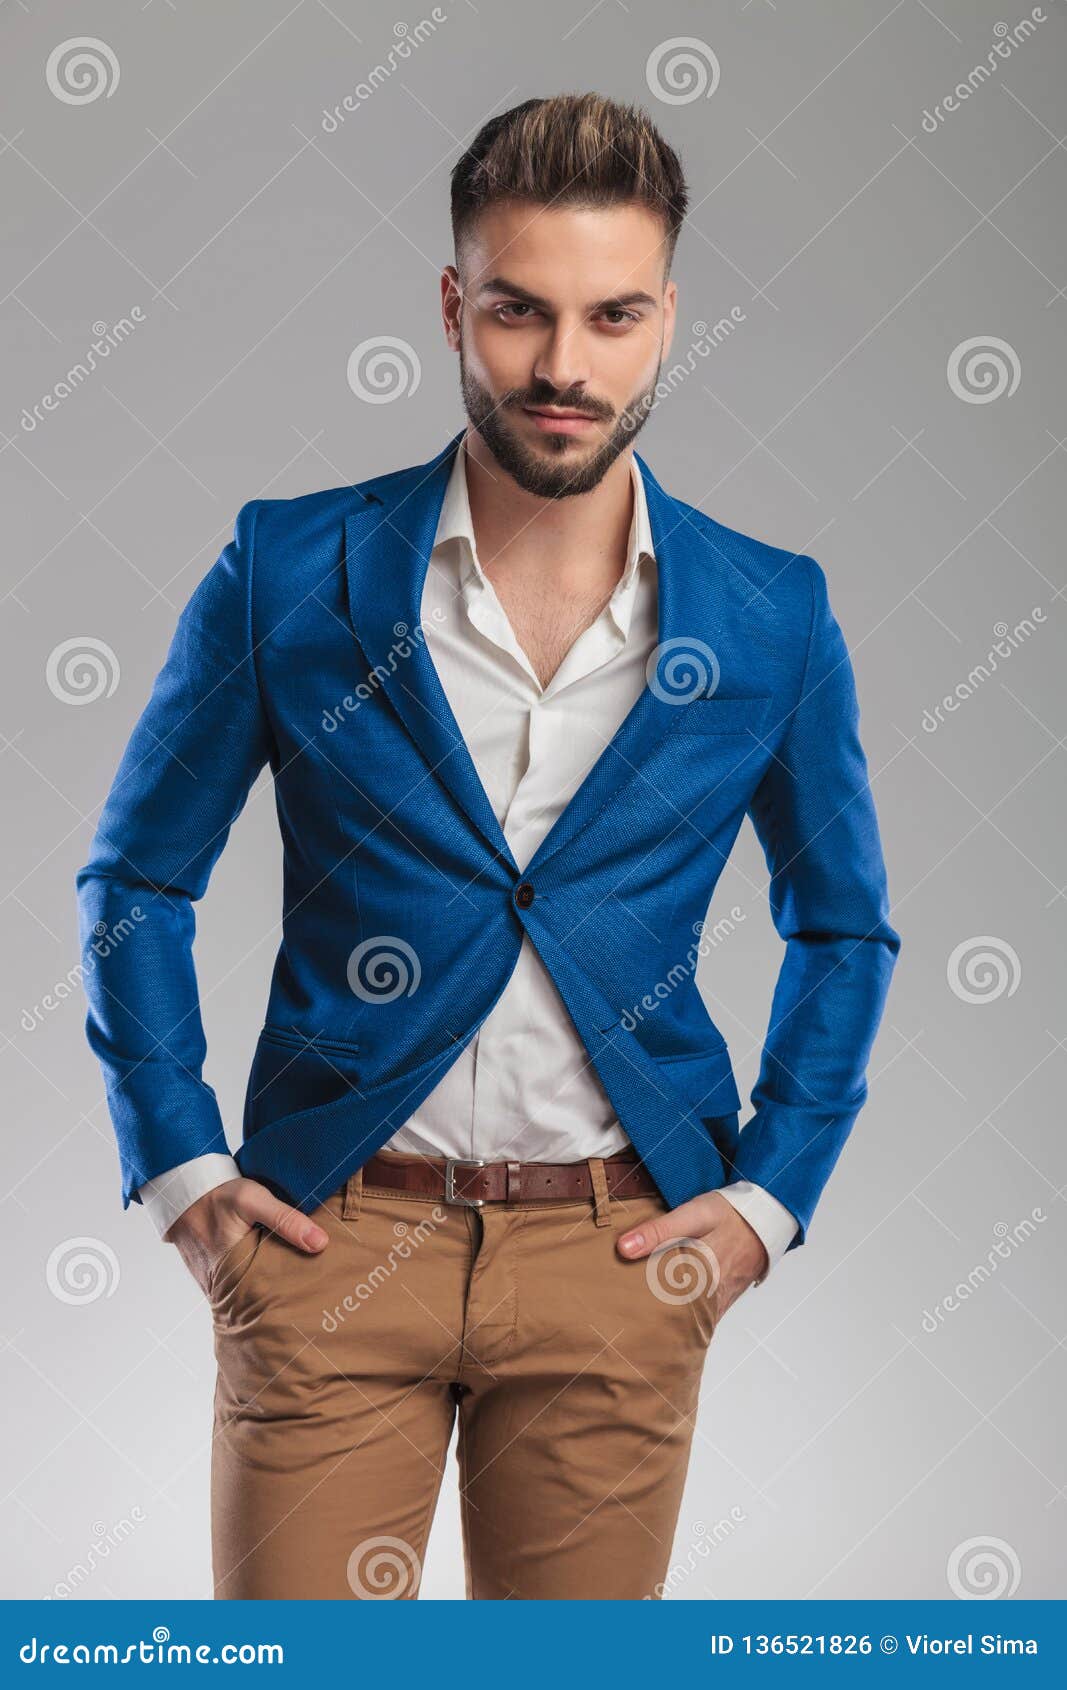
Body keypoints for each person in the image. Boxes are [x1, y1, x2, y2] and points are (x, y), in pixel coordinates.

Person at [76, 92, 900, 1600]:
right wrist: (180, 1168)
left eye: (613, 315)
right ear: (455, 306)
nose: (564, 367)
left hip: (622, 1260)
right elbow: (136, 880)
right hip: (331, 1246)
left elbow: (842, 928)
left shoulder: (769, 612)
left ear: (668, 321)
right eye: (519, 310)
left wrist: (766, 1204)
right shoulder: (290, 569)